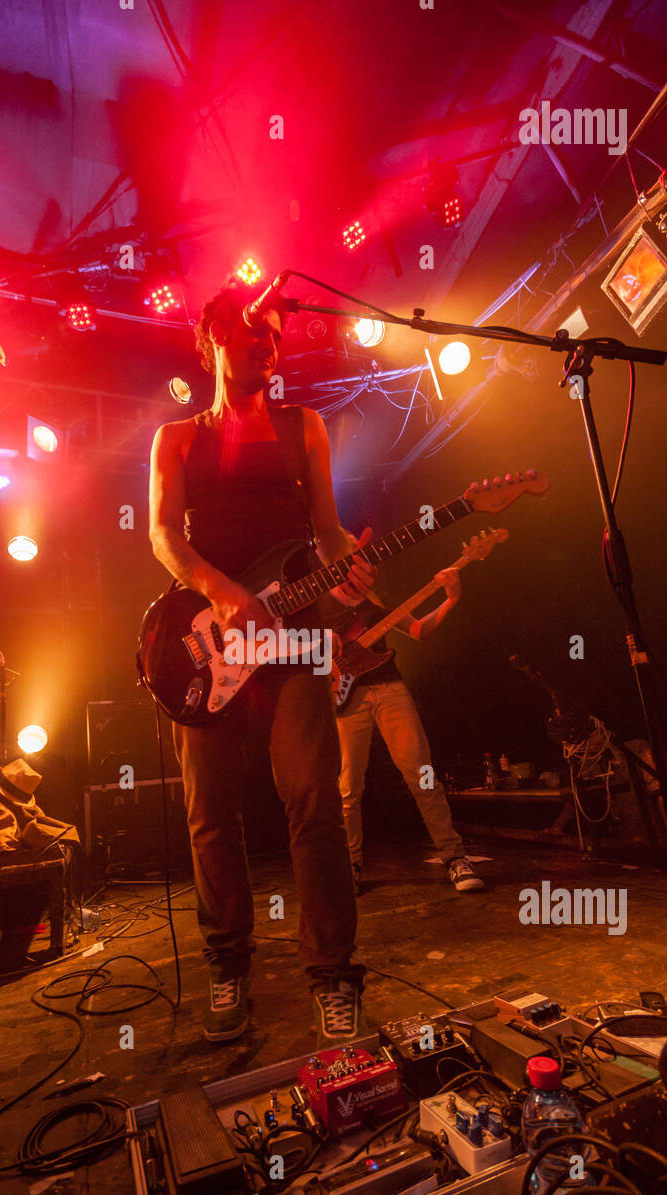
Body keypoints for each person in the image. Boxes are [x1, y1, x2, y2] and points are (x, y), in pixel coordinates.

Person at [148, 278, 376, 1046]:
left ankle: (333, 975)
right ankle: (227, 963)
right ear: (210, 335)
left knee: (314, 797)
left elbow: (329, 530)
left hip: (298, 634)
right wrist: (221, 591)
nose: (266, 342)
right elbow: (162, 537)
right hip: (209, 639)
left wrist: (349, 567)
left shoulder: (303, 425)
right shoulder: (176, 437)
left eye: (276, 335)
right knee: (212, 813)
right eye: (250, 327)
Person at [334, 566, 485, 894]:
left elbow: (417, 629)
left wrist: (452, 598)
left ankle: (454, 857)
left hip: (389, 687)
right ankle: (351, 864)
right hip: (346, 697)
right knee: (348, 787)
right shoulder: (322, 606)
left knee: (423, 775)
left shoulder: (378, 601)